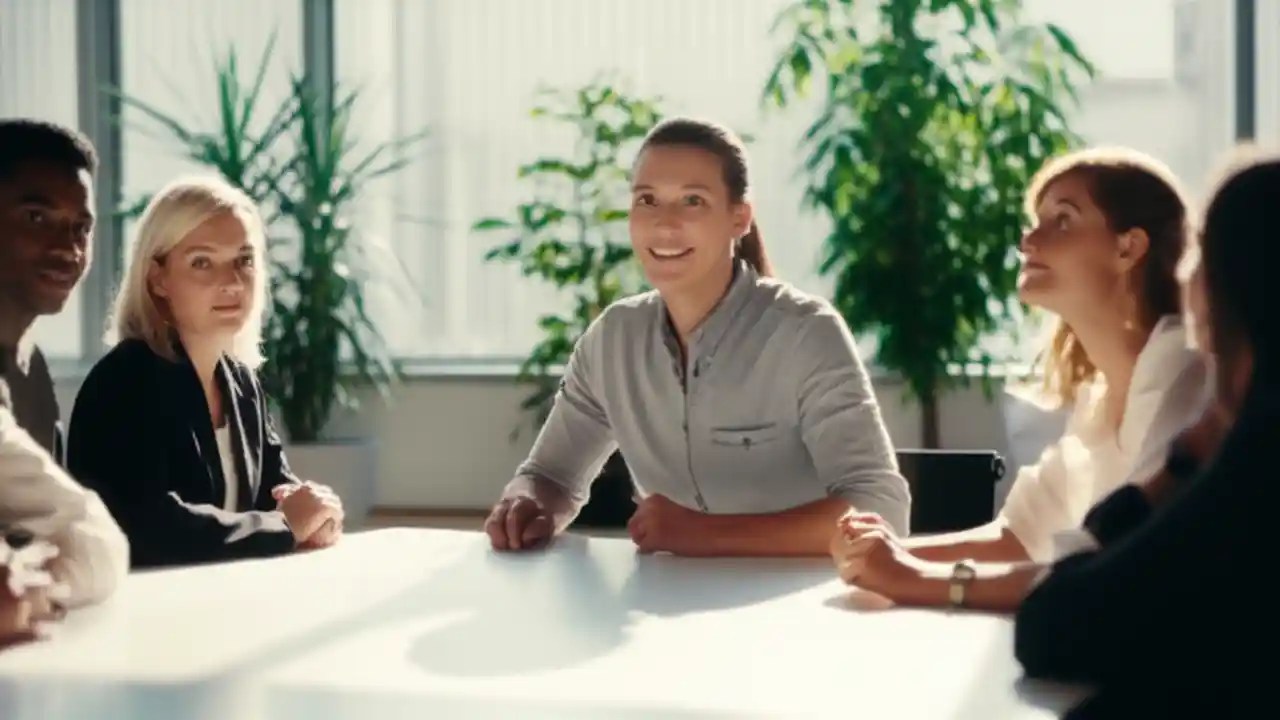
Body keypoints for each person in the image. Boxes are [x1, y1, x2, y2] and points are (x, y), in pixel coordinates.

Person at [485, 117, 909, 557]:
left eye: (693, 201)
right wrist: (526, 503)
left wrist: (705, 534)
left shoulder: (806, 333)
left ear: (739, 218)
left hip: (796, 607)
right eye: (647, 200)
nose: (665, 225)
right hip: (660, 606)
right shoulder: (612, 339)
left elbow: (881, 508)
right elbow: (550, 476)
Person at [831, 147, 1208, 609]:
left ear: (1127, 247)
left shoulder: (1182, 370)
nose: (1029, 241)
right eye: (1036, 220)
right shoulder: (1099, 397)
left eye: (1062, 221)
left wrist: (912, 576)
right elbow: (1018, 538)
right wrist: (884, 553)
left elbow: (1119, 569)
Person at [1013, 156, 1280, 717]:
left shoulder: (1255, 467)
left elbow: (1054, 626)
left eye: (1200, 256)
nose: (1183, 274)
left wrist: (1186, 457)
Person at [68, 175, 344, 568]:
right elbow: (150, 526)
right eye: (202, 262)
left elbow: (274, 496)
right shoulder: (124, 381)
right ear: (158, 278)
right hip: (143, 610)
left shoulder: (241, 383)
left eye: (243, 260)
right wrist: (286, 527)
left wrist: (314, 512)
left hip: (221, 603)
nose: (231, 281)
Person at [0, 119, 130, 646]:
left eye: (81, 227)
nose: (68, 247)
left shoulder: (33, 376)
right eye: (38, 217)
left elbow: (72, 534)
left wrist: (27, 575)